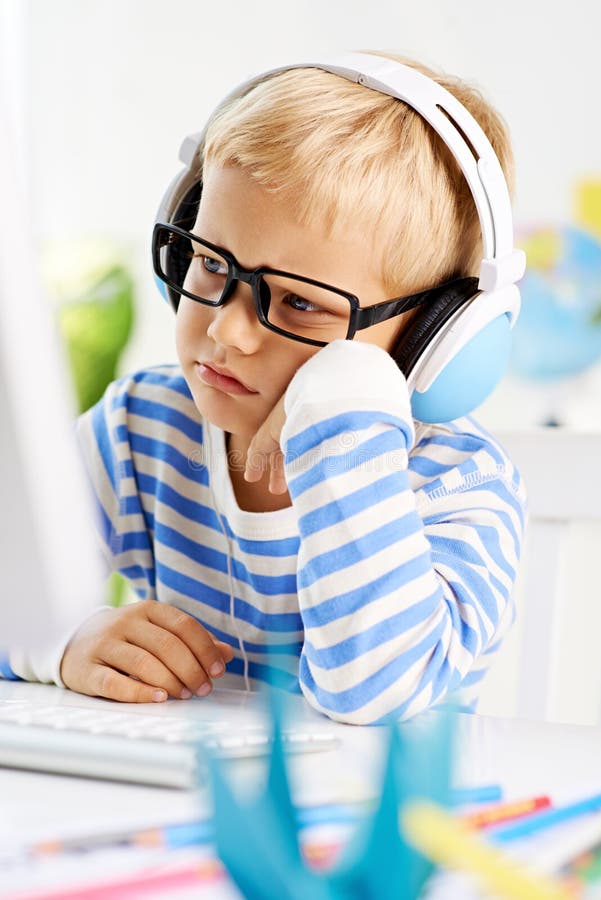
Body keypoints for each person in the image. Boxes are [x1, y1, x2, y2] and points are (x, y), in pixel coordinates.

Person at [7, 52, 526, 725]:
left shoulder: (459, 485)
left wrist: (345, 400)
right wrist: (56, 644)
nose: (227, 331)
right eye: (209, 260)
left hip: (378, 819)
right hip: (181, 808)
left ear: (433, 337)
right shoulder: (141, 429)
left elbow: (375, 691)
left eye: (299, 304)